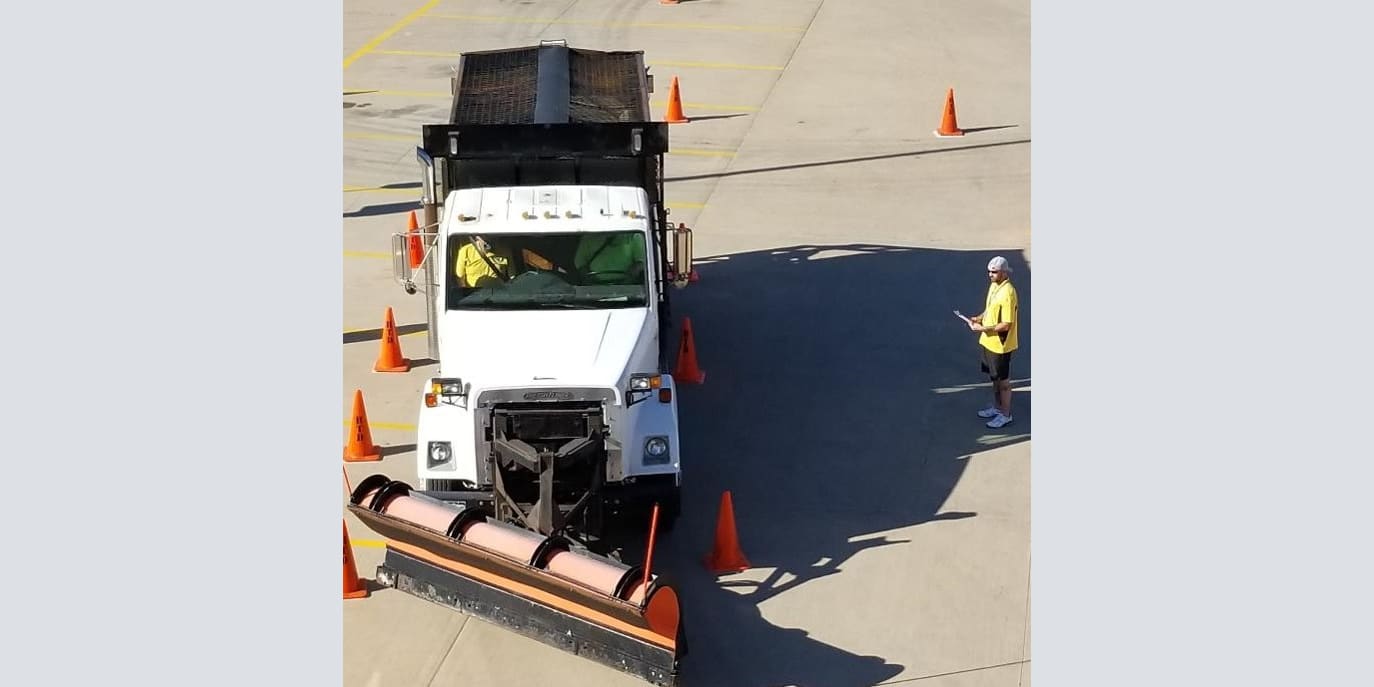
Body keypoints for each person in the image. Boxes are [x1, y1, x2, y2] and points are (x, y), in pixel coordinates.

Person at [968, 256, 1020, 428]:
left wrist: (982, 329)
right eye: (989, 271)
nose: (990, 275)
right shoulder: (994, 286)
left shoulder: (1008, 293)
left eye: (994, 272)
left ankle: (1006, 414)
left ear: (1004, 273)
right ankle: (998, 408)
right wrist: (979, 317)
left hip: (1001, 345)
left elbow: (1006, 324)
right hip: (989, 342)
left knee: (1003, 382)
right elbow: (990, 308)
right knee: (994, 378)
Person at [574, 232, 645, 282]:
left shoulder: (633, 235)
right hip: (595, 288)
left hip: (628, 288)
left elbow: (641, 262)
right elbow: (581, 264)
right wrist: (590, 282)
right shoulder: (588, 238)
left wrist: (629, 279)